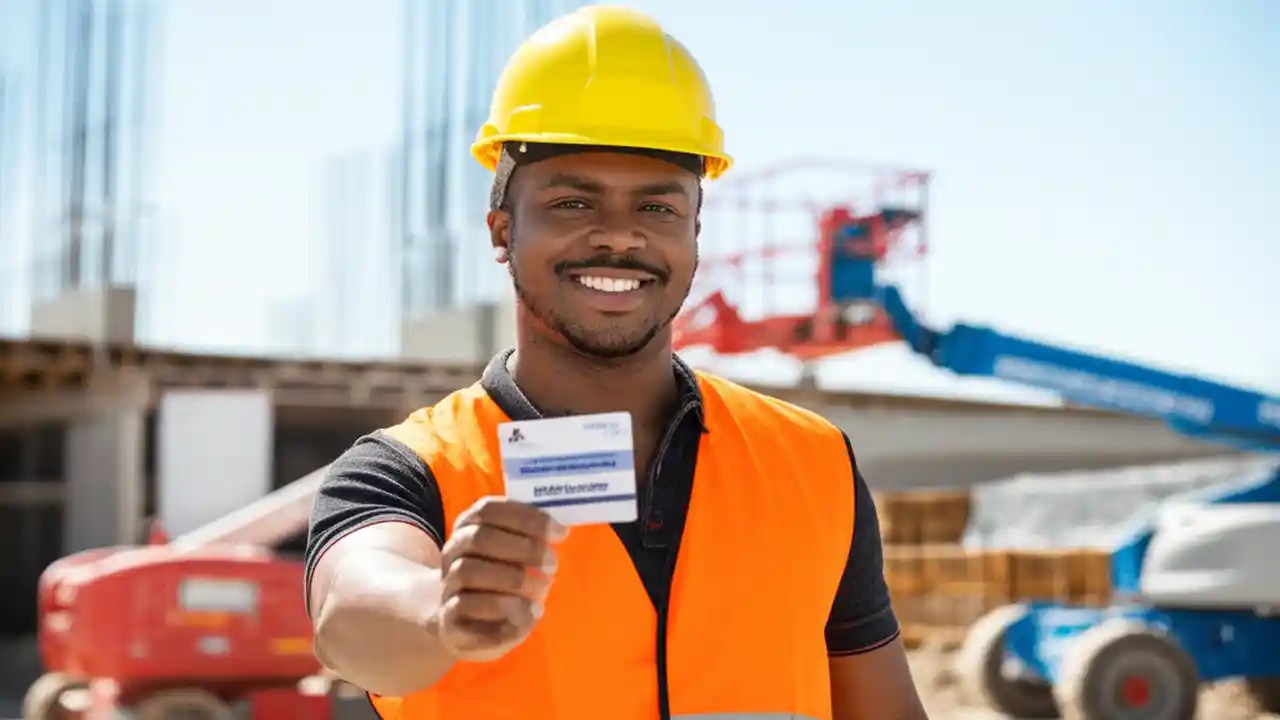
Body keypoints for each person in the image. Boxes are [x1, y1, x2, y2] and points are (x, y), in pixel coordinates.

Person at [305, 5, 929, 719]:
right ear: (502, 230)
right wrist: (439, 607)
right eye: (573, 202)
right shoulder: (409, 470)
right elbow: (349, 621)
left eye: (658, 209)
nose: (618, 237)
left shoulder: (811, 463)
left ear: (695, 231)